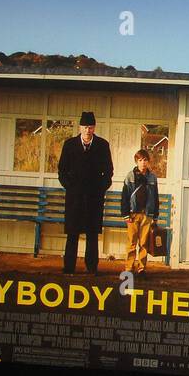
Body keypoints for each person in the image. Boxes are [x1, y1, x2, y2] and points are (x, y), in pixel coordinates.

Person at [57, 111, 113, 275]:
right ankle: (69, 268)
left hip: (94, 198)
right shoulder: (69, 145)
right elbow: (62, 171)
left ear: (94, 127)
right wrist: (71, 188)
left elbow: (108, 171)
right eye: (85, 127)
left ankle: (92, 268)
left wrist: (100, 189)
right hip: (74, 197)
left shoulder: (103, 145)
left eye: (91, 127)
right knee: (72, 234)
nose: (88, 130)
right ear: (80, 127)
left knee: (92, 233)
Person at [121, 149, 159, 275]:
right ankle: (128, 267)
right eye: (140, 160)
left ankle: (142, 268)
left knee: (144, 243)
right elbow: (125, 196)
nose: (143, 163)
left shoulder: (152, 177)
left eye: (145, 160)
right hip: (133, 214)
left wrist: (155, 215)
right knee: (132, 242)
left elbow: (155, 196)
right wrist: (125, 214)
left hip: (147, 214)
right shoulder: (130, 176)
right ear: (136, 162)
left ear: (148, 162)